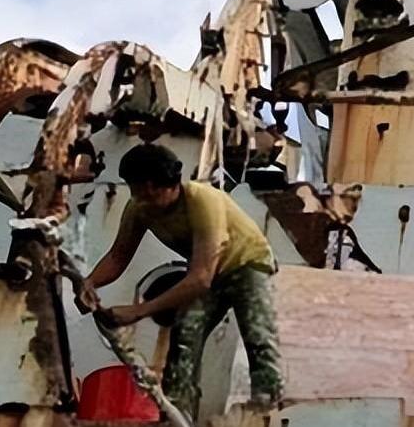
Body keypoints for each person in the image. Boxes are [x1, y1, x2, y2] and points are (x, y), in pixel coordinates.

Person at [80, 144, 283, 420]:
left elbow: (200, 279)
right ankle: (178, 414)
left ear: (163, 185)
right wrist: (89, 284)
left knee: (258, 335)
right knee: (185, 335)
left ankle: (265, 409)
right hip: (209, 272)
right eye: (138, 190)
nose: (144, 197)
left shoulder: (202, 200)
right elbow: (117, 257)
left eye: (149, 189)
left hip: (248, 263)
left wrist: (138, 311)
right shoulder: (139, 208)